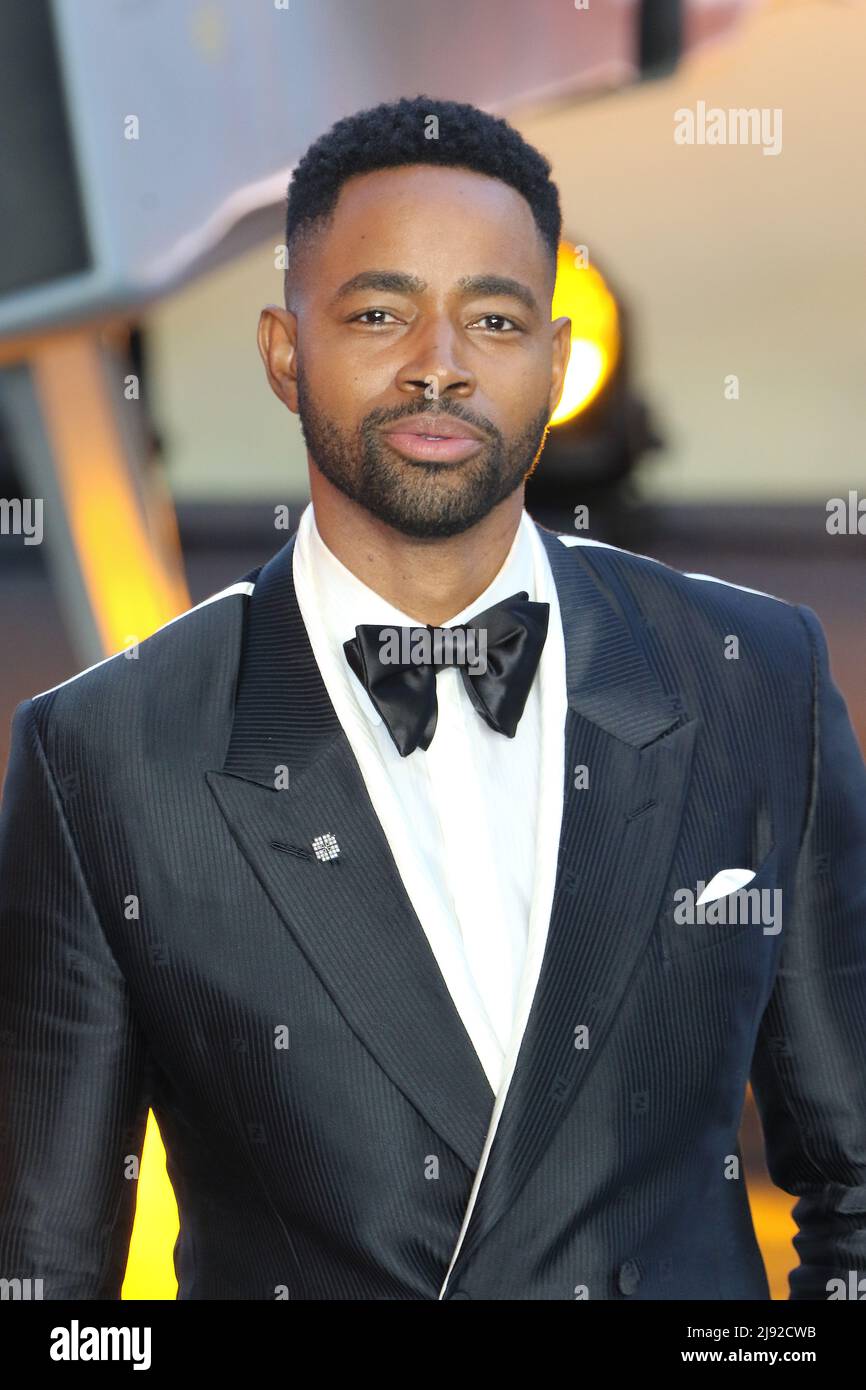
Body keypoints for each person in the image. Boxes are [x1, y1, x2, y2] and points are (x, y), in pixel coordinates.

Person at [1, 95, 865, 1302]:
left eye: (492, 318)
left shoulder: (750, 677)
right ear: (283, 352)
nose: (439, 365)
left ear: (554, 364)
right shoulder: (102, 751)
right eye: (378, 312)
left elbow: (853, 1188)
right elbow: (43, 1277)